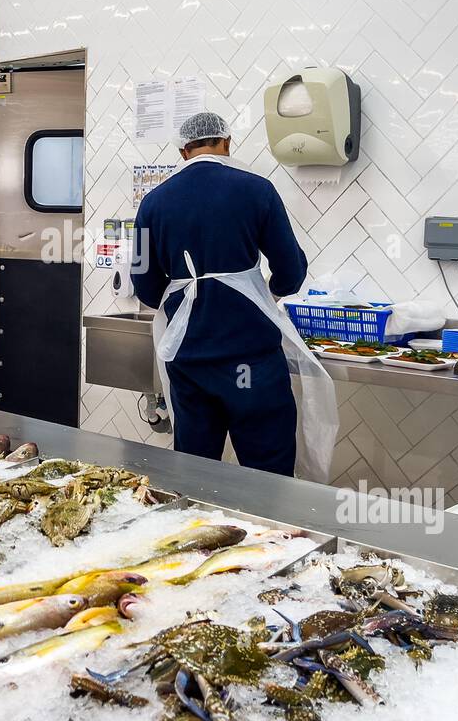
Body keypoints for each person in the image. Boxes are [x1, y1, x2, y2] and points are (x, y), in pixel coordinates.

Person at [131, 111, 330, 477]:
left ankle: (194, 531)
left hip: (189, 362)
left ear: (182, 150)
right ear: (226, 142)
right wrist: (263, 291)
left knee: (193, 473)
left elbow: (143, 283)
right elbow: (291, 271)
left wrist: (182, 292)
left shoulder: (153, 203)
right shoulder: (257, 190)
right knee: (268, 473)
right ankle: (273, 533)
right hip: (251, 363)